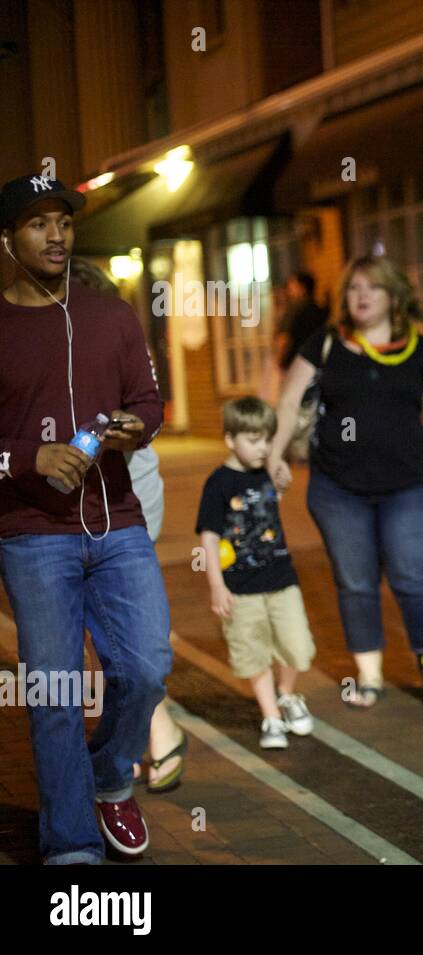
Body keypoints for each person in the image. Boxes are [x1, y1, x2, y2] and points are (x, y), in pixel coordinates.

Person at [0, 173, 171, 862]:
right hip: (32, 536)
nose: (56, 234)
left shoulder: (111, 314)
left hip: (117, 520)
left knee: (147, 667)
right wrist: (28, 458)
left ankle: (109, 774)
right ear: (7, 239)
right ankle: (71, 842)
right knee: (55, 692)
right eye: (38, 222)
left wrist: (136, 427)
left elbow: (150, 403)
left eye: (63, 221)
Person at [268, 255, 423, 716]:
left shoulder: (419, 350)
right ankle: (370, 676)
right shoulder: (325, 344)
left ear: (394, 297)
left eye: (372, 288)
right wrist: (275, 455)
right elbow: (287, 404)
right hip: (338, 488)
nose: (361, 296)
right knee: (356, 582)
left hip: (409, 486)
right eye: (354, 287)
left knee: (416, 579)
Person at [68, 257, 188, 794]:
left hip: (124, 503)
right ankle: (141, 735)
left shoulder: (113, 340)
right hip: (77, 510)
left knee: (118, 632)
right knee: (103, 633)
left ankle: (148, 731)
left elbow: (144, 416)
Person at [198, 397, 317, 748]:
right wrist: (216, 587)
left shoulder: (269, 471)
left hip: (281, 579)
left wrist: (282, 479)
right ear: (230, 439)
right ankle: (271, 717)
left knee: (298, 646)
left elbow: (276, 495)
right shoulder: (217, 483)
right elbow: (207, 538)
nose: (263, 447)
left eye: (267, 439)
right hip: (239, 587)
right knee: (252, 652)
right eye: (254, 440)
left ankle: (287, 695)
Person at [277, 271, 329, 373]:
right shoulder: (319, 308)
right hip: (317, 361)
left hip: (295, 362)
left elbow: (284, 337)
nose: (289, 288)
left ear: (302, 287)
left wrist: (279, 360)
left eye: (293, 284)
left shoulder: (295, 308)